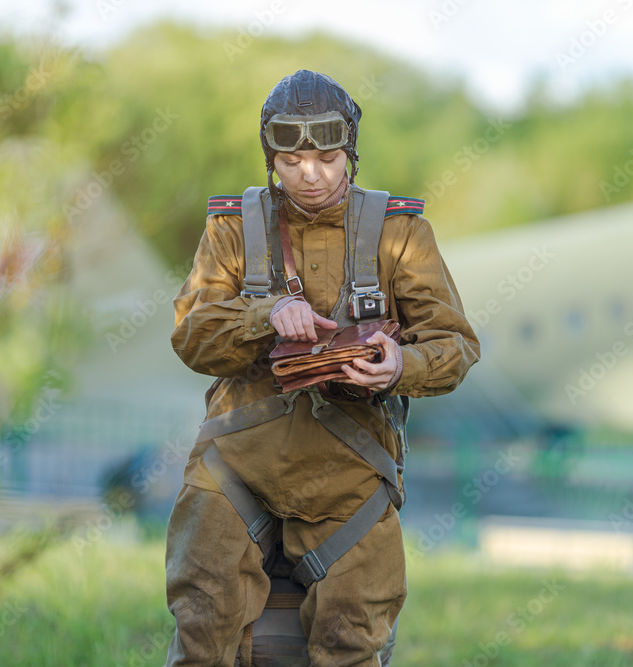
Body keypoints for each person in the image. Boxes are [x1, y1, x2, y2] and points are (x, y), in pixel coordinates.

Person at [165, 69, 480, 666]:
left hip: (350, 473)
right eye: (291, 159)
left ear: (351, 155)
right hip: (238, 460)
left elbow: (454, 344)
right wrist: (264, 315)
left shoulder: (400, 232)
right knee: (203, 625)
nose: (310, 175)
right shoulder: (232, 229)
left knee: (351, 638)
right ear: (271, 158)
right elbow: (192, 336)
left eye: (328, 157)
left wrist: (397, 366)